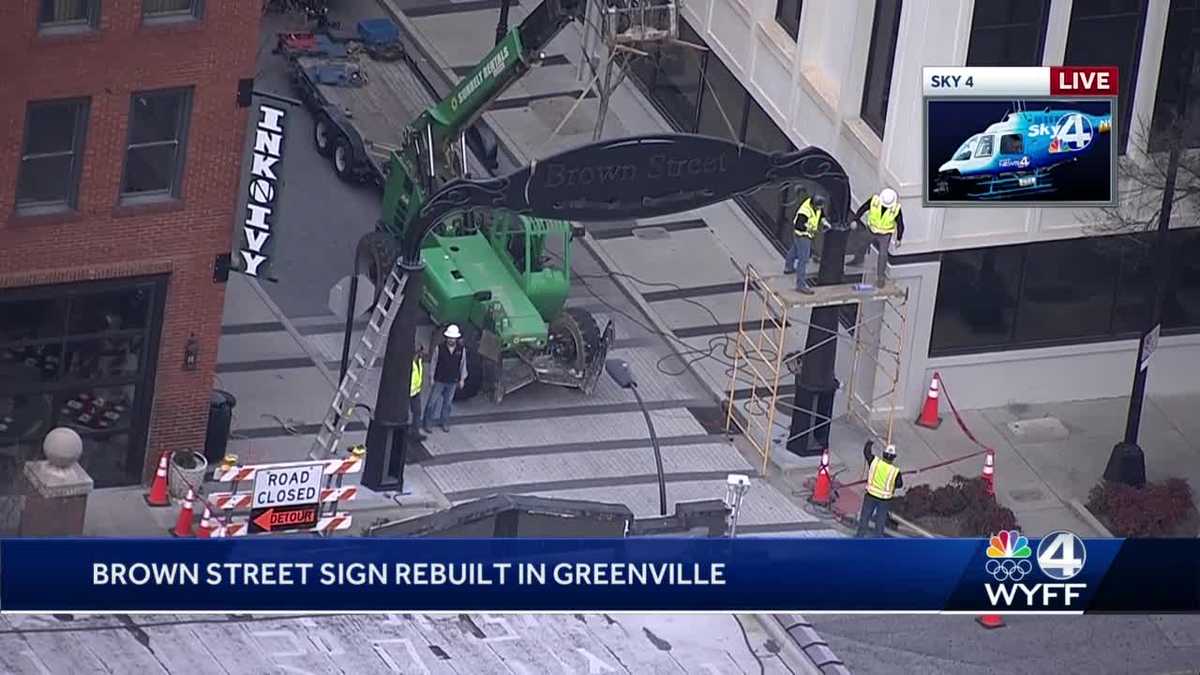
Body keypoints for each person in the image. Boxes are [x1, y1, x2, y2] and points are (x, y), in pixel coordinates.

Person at [850, 187, 904, 285]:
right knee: (862, 243)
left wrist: (899, 238)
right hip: (871, 230)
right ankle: (858, 259)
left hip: (885, 234)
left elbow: (900, 224)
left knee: (883, 255)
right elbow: (863, 208)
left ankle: (880, 278)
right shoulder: (875, 201)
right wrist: (855, 219)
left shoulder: (896, 209)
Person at [422, 325, 468, 433]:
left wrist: (462, 379)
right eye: (450, 337)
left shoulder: (461, 350)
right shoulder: (439, 348)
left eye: (453, 338)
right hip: (439, 380)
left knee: (447, 404)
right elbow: (433, 363)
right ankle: (427, 423)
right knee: (432, 402)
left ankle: (445, 422)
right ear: (446, 337)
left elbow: (463, 365)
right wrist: (431, 377)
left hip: (452, 381)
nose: (451, 340)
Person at [855, 440, 903, 537]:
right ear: (893, 458)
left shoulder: (874, 462)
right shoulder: (895, 471)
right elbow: (899, 484)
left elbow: (866, 452)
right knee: (880, 523)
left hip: (870, 495)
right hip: (884, 500)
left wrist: (869, 442)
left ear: (883, 454)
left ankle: (859, 538)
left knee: (864, 518)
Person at [783, 194, 828, 295]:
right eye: (818, 206)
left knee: (795, 249)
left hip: (802, 235)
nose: (820, 208)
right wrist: (810, 228)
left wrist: (824, 222)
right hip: (803, 235)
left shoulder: (816, 205)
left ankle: (788, 267)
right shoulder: (805, 212)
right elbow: (799, 226)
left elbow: (821, 213)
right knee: (803, 259)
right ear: (813, 204)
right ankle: (801, 285)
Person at [406, 344, 427, 441]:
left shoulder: (419, 361)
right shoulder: (409, 364)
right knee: (404, 413)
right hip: (407, 393)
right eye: (421, 352)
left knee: (417, 412)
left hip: (415, 392)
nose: (422, 354)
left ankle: (415, 432)